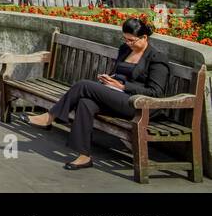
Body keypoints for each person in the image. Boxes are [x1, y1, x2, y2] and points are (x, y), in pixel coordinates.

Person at [21, 18, 170, 170]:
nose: (128, 44)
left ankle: (50, 117)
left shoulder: (156, 58)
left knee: (83, 85)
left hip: (138, 105)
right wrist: (109, 79)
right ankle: (84, 156)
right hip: (118, 97)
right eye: (125, 39)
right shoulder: (125, 50)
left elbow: (155, 93)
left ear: (144, 37)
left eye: (132, 40)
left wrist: (124, 86)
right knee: (86, 102)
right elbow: (119, 74)